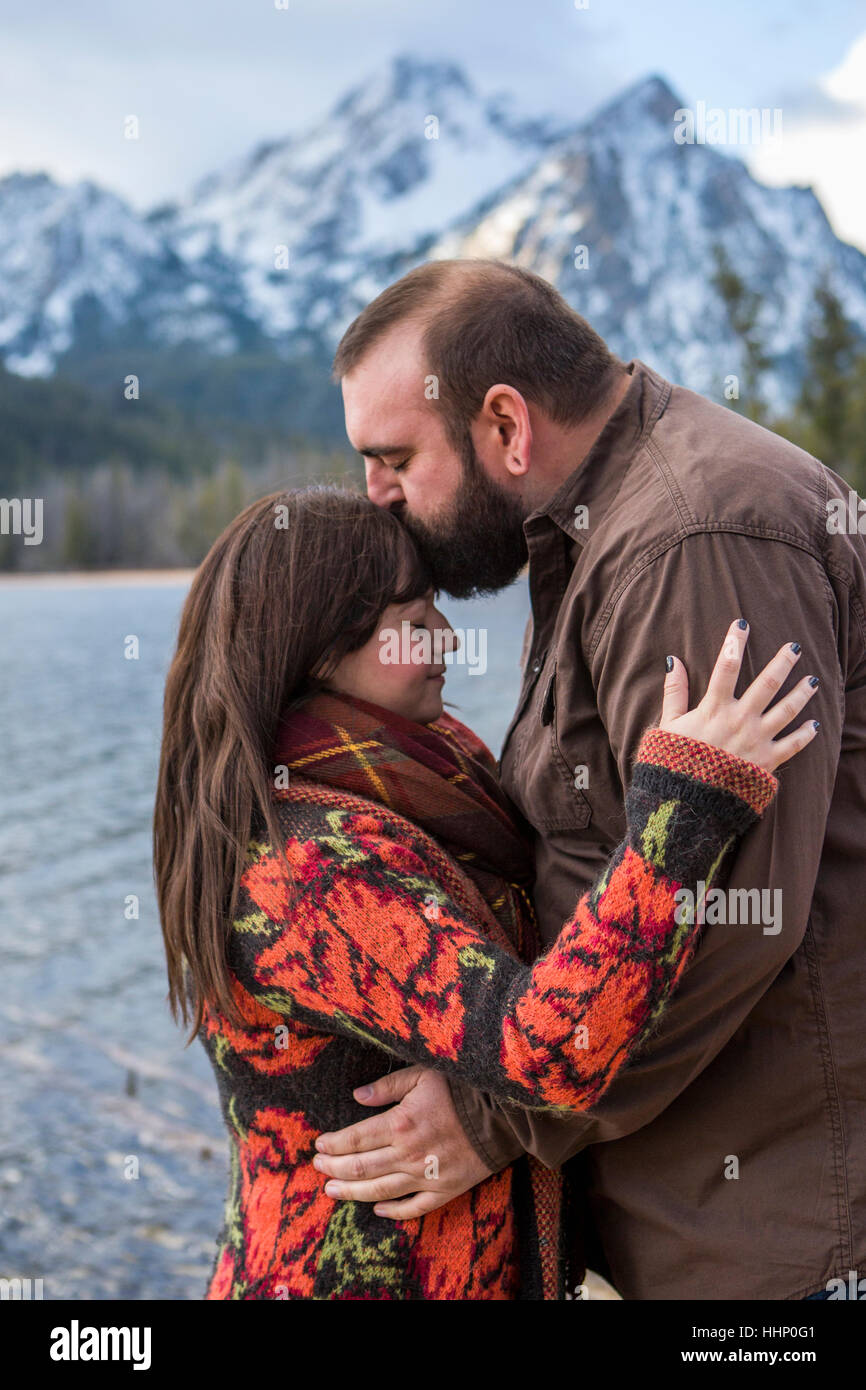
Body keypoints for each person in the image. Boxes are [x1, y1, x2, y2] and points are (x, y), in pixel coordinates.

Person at [318, 258, 866, 1302]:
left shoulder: (690, 542)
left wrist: (499, 1116)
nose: (375, 496)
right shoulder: (599, 525)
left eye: (391, 458)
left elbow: (730, 917)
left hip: (776, 1247)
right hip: (702, 1218)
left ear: (505, 427)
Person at [153, 487, 814, 1300]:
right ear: (320, 645)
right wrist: (687, 809)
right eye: (416, 618)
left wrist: (481, 1121)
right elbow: (552, 1051)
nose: (449, 639)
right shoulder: (302, 869)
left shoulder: (423, 767)